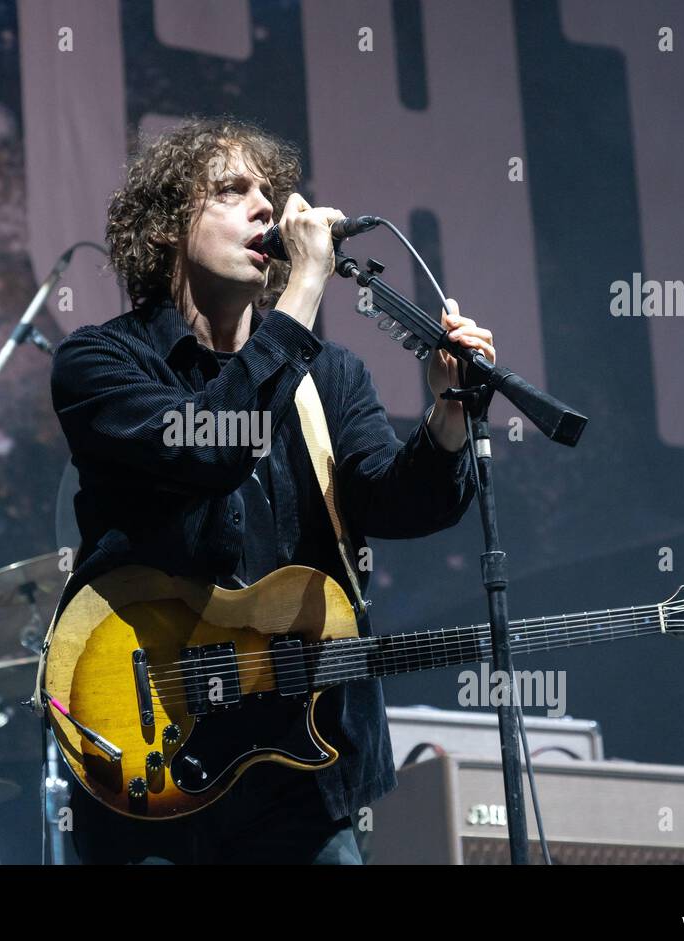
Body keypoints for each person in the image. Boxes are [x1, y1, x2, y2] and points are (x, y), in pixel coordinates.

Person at [49, 116, 497, 863]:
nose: (268, 207)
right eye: (233, 190)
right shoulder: (100, 362)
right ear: (165, 229)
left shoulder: (329, 375)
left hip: (301, 769)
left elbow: (393, 503)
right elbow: (208, 447)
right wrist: (307, 290)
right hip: (153, 768)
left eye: (272, 191)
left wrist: (449, 413)